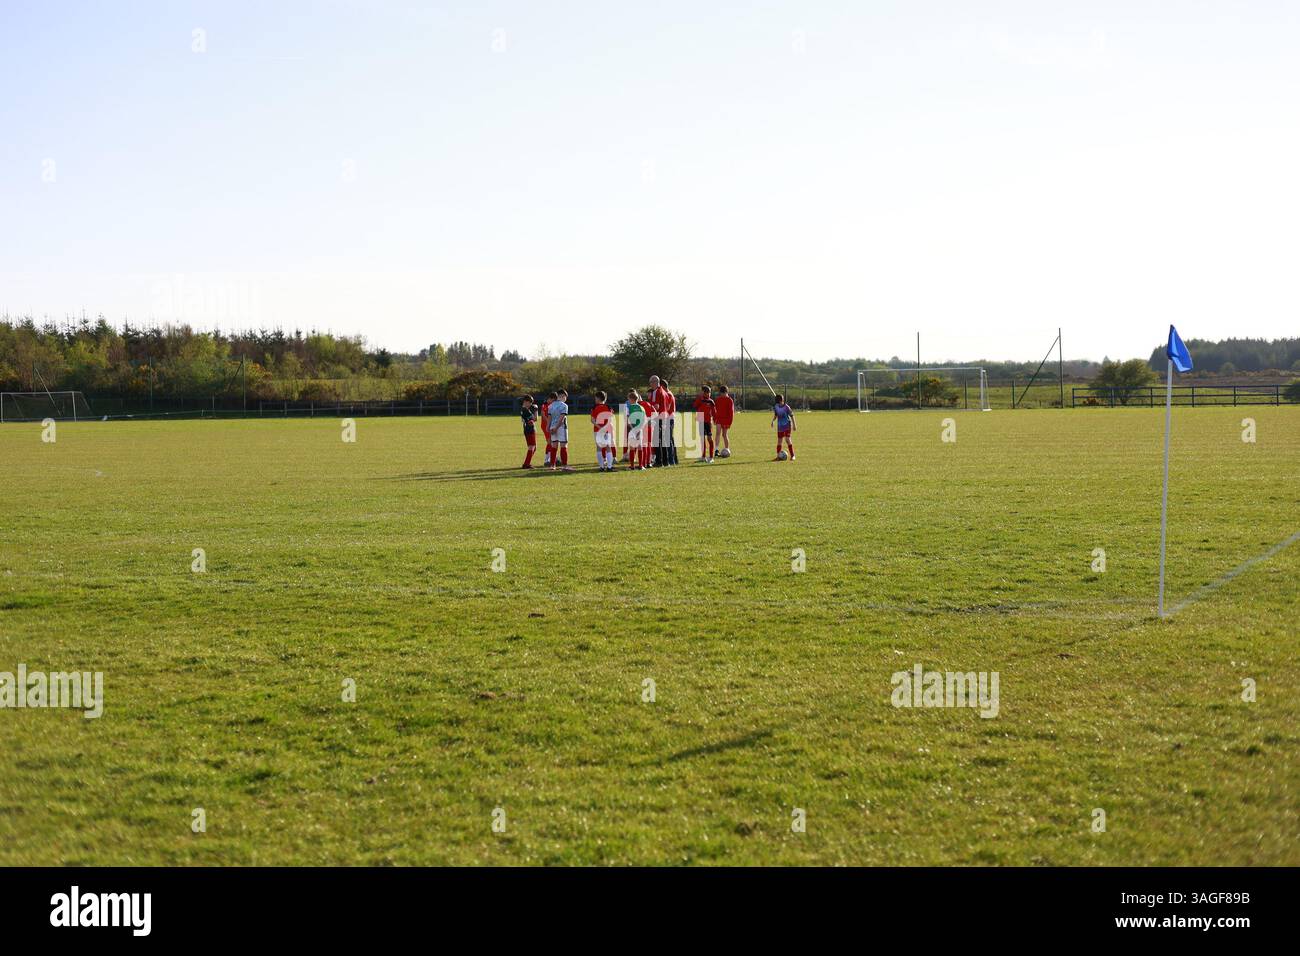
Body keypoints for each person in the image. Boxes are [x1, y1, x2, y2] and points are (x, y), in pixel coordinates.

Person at [591, 390, 616, 471]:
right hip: (606, 430)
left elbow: (592, 420)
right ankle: (609, 467)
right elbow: (610, 420)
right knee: (608, 447)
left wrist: (599, 427)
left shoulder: (594, 407)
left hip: (597, 430)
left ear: (598, 398)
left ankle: (601, 467)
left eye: (595, 398)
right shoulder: (609, 407)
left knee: (599, 447)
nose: (595, 399)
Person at [549, 389, 572, 471]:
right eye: (565, 397)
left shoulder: (551, 405)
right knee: (563, 446)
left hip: (552, 427)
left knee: (554, 446)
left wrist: (549, 428)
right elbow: (562, 418)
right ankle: (565, 466)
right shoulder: (564, 406)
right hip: (561, 427)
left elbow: (549, 418)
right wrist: (556, 428)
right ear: (563, 396)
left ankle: (552, 465)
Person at [625, 389, 648, 470]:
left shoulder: (629, 408)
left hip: (632, 430)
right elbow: (645, 420)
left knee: (632, 447)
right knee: (640, 447)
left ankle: (632, 466)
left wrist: (633, 429)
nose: (628, 401)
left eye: (628, 399)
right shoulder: (642, 408)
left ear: (631, 399)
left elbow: (628, 420)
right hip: (640, 429)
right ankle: (641, 466)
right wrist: (639, 429)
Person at [693, 385, 716, 462]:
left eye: (709, 392)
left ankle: (711, 457)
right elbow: (695, 406)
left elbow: (714, 412)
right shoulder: (700, 399)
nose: (709, 394)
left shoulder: (711, 401)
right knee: (702, 439)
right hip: (701, 421)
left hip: (708, 422)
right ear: (703, 393)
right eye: (707, 392)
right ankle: (703, 457)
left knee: (709, 439)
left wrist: (715, 419)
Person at [771, 393, 796, 461]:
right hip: (780, 426)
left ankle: (793, 456)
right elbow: (776, 415)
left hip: (787, 425)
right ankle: (778, 456)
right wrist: (773, 421)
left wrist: (794, 425)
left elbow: (792, 415)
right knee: (779, 441)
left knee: (787, 440)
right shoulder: (776, 406)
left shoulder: (786, 407)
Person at [638, 391, 656, 470]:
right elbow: (655, 414)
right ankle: (648, 462)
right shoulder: (648, 404)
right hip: (649, 426)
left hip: (641, 427)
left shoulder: (636, 406)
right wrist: (650, 421)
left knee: (643, 446)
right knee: (649, 445)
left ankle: (643, 463)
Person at [714, 384, 734, 456]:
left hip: (726, 420)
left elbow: (731, 412)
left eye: (724, 393)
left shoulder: (730, 400)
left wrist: (730, 422)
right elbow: (714, 410)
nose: (722, 395)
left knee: (724, 434)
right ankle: (716, 450)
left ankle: (727, 449)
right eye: (721, 393)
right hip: (719, 419)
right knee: (717, 433)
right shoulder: (718, 400)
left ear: (726, 392)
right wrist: (714, 419)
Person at [661, 379, 678, 465]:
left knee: (668, 439)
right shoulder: (670, 393)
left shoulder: (668, 394)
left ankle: (671, 460)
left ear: (663, 386)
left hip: (669, 418)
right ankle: (674, 460)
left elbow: (667, 408)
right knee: (670, 439)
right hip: (670, 418)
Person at [539, 391, 558, 468]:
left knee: (551, 442)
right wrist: (549, 422)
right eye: (553, 400)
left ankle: (550, 458)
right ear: (550, 398)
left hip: (551, 425)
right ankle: (547, 459)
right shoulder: (545, 405)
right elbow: (543, 415)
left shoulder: (552, 404)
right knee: (549, 441)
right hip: (545, 425)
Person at [520, 394, 538, 468]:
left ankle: (527, 462)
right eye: (530, 402)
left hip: (527, 429)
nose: (530, 404)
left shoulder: (523, 409)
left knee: (534, 447)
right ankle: (526, 464)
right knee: (532, 447)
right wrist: (536, 410)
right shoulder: (525, 410)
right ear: (525, 401)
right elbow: (535, 418)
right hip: (529, 429)